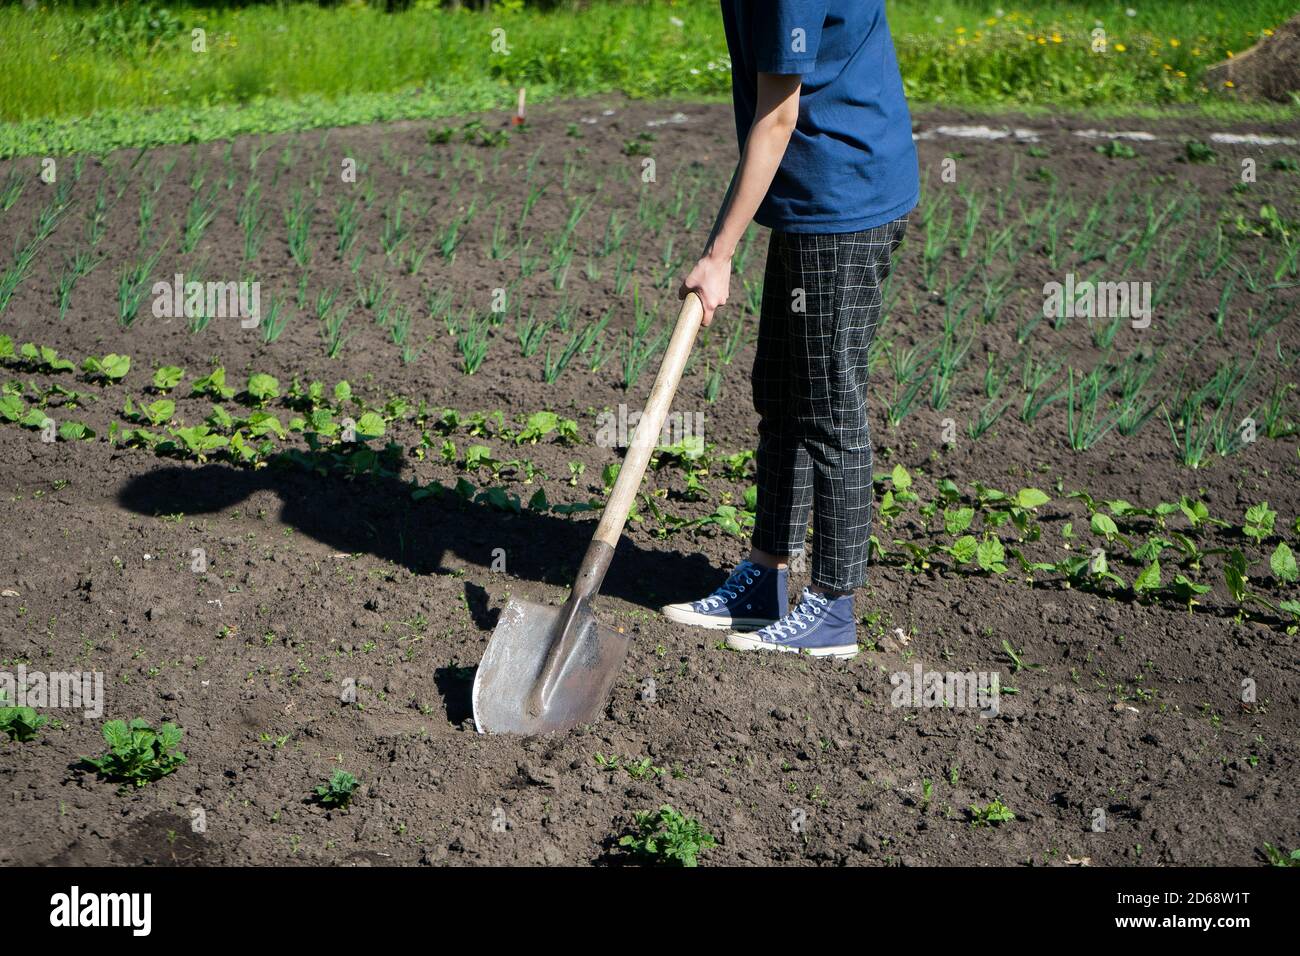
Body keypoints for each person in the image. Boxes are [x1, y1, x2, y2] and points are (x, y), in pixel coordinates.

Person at [663, 0, 918, 659]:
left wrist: (719, 256)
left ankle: (833, 608)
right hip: (808, 197)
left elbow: (777, 117)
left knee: (830, 404)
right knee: (781, 390)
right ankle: (766, 576)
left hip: (844, 197)